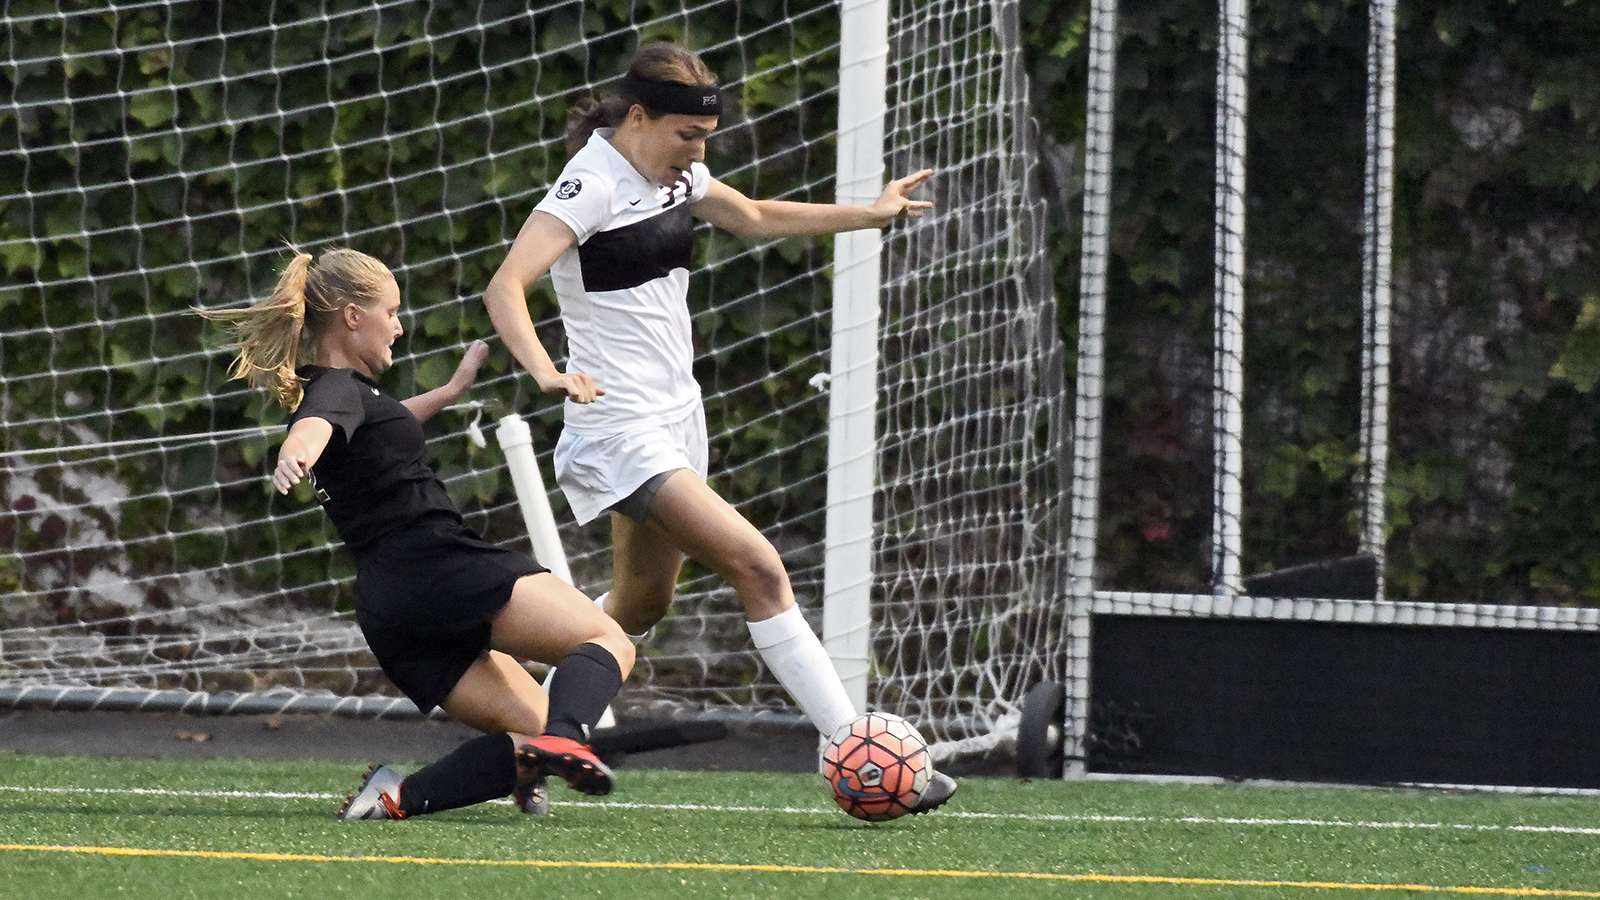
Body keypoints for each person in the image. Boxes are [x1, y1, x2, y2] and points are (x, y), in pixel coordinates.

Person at [480, 42, 955, 813]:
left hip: (677, 419)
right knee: (759, 567)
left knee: (638, 608)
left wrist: (868, 215)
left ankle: (524, 728)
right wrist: (546, 370)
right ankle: (852, 748)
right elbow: (506, 287)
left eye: (706, 139)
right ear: (637, 118)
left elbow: (757, 217)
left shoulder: (676, 176)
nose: (698, 156)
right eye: (686, 137)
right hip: (618, 426)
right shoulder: (590, 183)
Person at [201, 247, 634, 819]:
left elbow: (377, 423)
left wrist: (450, 391)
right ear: (353, 315)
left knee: (532, 728)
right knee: (607, 641)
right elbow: (313, 428)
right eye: (392, 311)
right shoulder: (331, 393)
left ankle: (394, 797)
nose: (400, 326)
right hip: (437, 564)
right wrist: (293, 455)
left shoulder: (350, 396)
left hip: (391, 601)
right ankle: (566, 737)